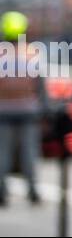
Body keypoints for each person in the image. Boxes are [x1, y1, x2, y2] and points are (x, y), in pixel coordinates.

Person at [0, 11, 44, 206]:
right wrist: (45, 108)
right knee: (29, 152)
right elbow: (40, 85)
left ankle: (2, 191)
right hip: (28, 111)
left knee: (3, 153)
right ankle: (32, 190)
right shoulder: (31, 53)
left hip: (3, 112)